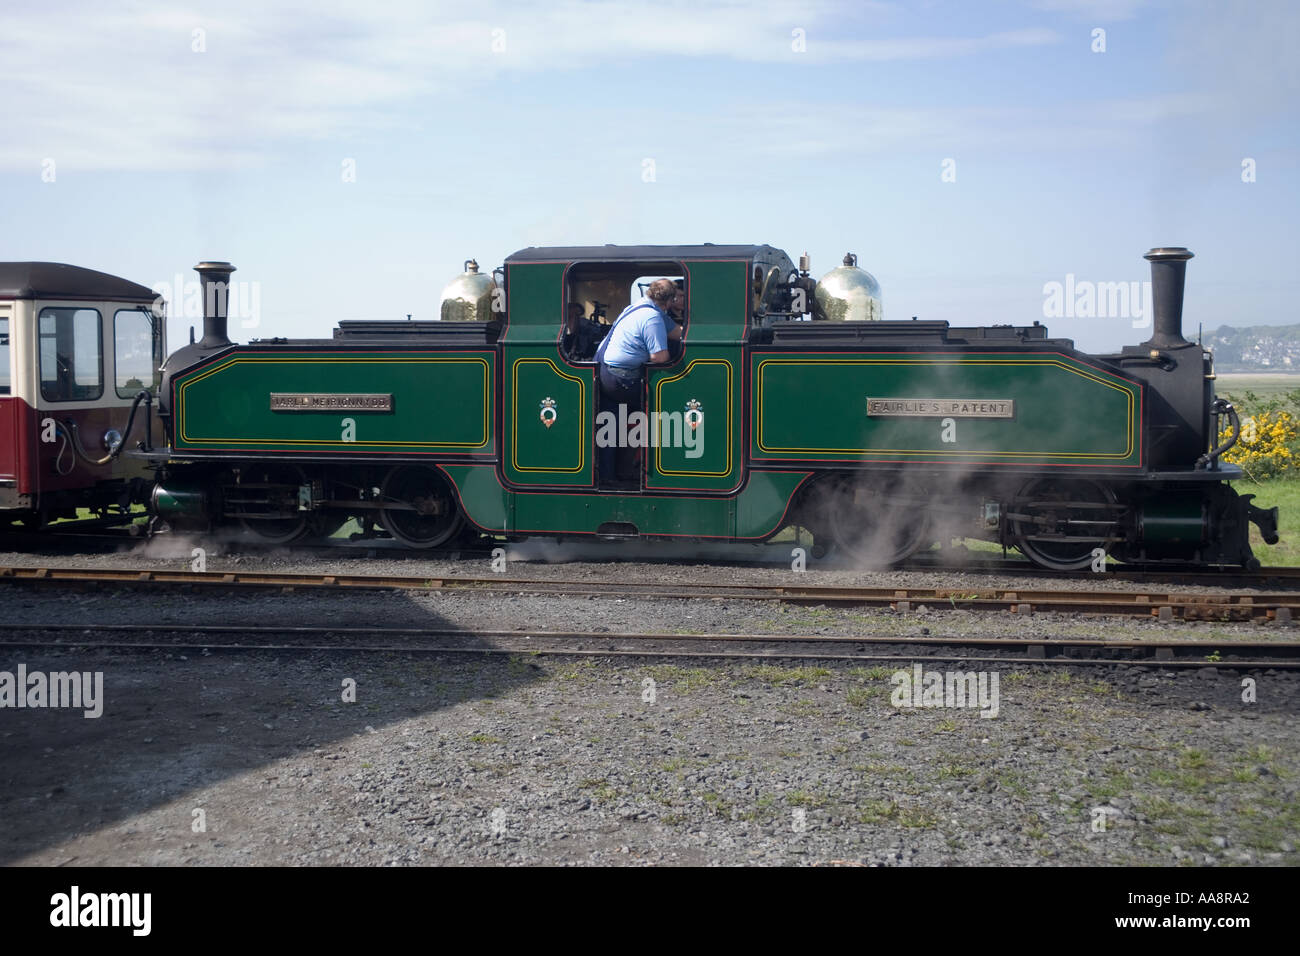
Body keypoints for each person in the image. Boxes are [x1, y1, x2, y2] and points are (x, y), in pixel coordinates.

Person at [596, 278, 683, 483]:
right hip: (621, 379)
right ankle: (630, 470)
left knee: (610, 425)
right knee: (653, 411)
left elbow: (677, 332)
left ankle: (608, 474)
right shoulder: (652, 317)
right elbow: (659, 358)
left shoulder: (637, 307)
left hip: (607, 373)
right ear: (670, 300)